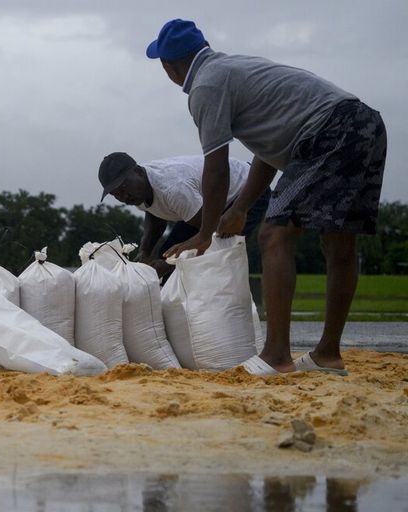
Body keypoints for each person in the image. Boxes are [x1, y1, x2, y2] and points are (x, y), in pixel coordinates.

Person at [148, 19, 386, 375]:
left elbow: (216, 168)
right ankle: (327, 355)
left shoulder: (206, 86)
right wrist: (241, 207)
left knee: (274, 234)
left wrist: (203, 234)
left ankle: (277, 355)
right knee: (339, 243)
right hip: (365, 125)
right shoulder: (235, 69)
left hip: (329, 132)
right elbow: (268, 151)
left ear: (169, 67)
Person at [98, 151, 270, 281]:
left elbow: (208, 235)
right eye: (116, 194)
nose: (124, 196)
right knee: (169, 252)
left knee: (220, 252)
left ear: (138, 172)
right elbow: (155, 214)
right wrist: (145, 251)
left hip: (247, 190)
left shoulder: (174, 188)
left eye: (124, 187)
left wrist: (167, 266)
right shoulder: (139, 190)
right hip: (205, 205)